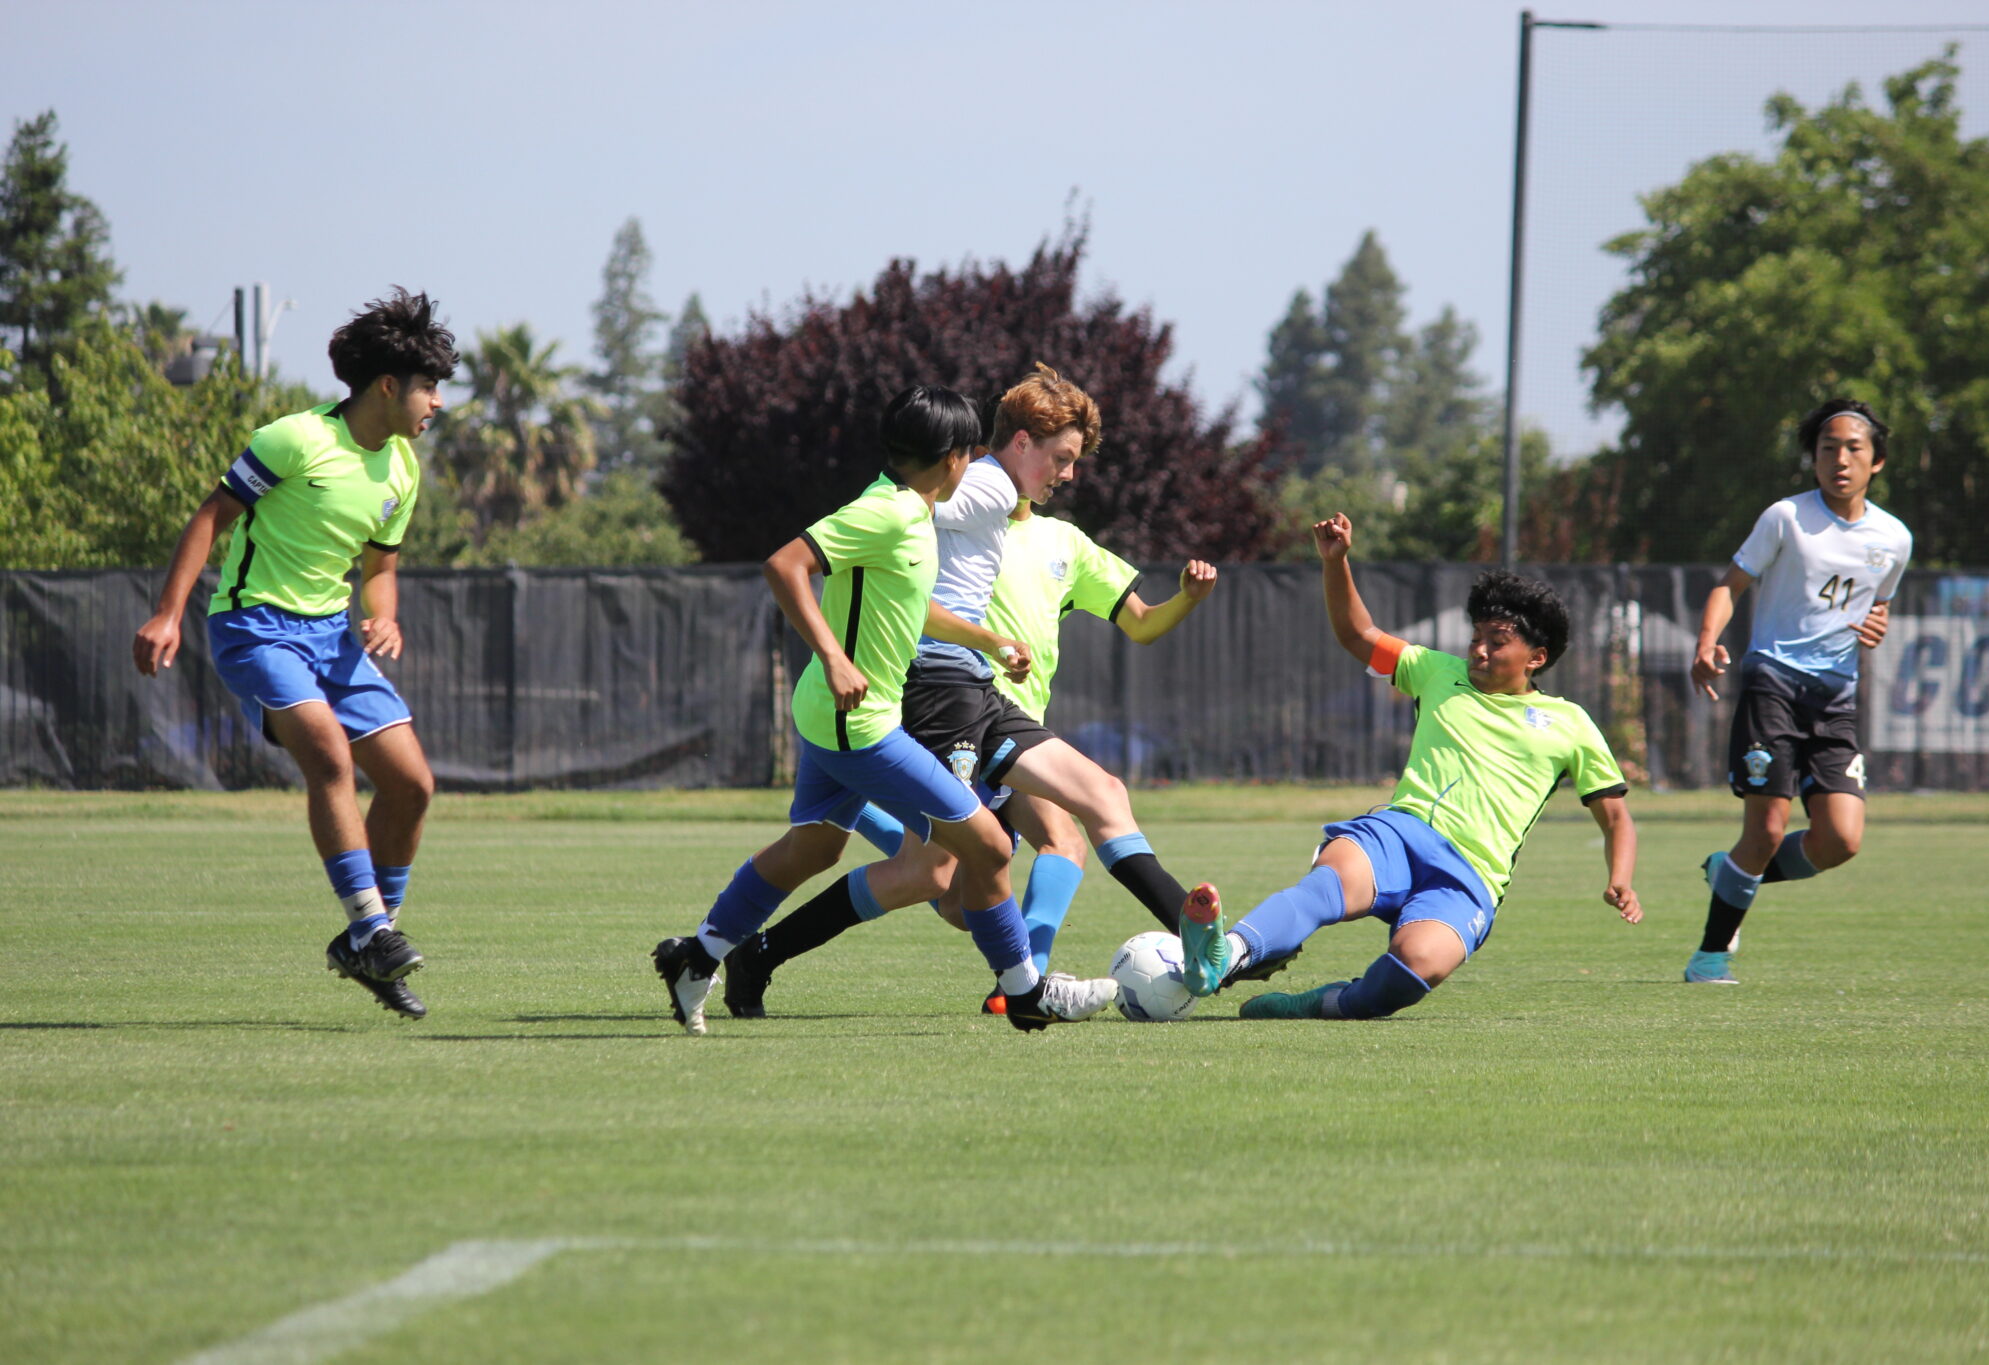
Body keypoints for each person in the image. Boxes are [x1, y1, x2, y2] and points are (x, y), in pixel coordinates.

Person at [715, 365, 1209, 1018]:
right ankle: (761, 953)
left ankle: (1196, 937)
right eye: (1061, 458)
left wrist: (991, 644)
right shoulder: (981, 484)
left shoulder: (1005, 501)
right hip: (931, 692)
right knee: (932, 873)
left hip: (975, 688)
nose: (1068, 473)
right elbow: (900, 498)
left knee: (1100, 794)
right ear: (1024, 442)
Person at [651, 384, 1097, 1035]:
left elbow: (913, 603)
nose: (976, 467)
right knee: (990, 846)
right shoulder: (886, 512)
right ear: (952, 460)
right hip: (857, 722)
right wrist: (833, 656)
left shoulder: (915, 513)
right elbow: (785, 564)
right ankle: (1025, 991)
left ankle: (697, 955)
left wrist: (988, 639)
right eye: (971, 455)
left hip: (839, 714)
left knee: (812, 849)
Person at [131, 288, 454, 1019]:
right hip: (254, 626)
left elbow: (381, 569)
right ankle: (370, 929)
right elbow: (212, 517)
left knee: (412, 785)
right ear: (387, 386)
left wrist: (387, 619)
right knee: (330, 756)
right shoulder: (295, 438)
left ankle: (373, 941)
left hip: (333, 639)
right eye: (429, 387)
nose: (436, 403)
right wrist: (167, 613)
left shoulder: (401, 469)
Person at [1178, 514, 1642, 1021]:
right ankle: (1231, 954)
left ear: (1537, 657)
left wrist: (1621, 878)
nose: (1479, 648)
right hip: (1401, 832)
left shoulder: (1570, 722)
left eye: (1498, 639)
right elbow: (1356, 634)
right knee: (1325, 886)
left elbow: (1616, 818)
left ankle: (1324, 1002)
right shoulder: (1436, 671)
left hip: (1470, 875)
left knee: (1414, 967)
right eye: (1477, 635)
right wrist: (1337, 563)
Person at [1683, 398, 1912, 985]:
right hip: (1773, 682)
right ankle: (1710, 956)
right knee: (1764, 829)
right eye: (1827, 447)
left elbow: (1874, 605)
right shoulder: (1786, 517)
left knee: (1841, 839)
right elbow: (1730, 585)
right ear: (1813, 458)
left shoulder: (1894, 538)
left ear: (1877, 461)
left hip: (1837, 695)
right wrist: (1707, 642)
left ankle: (1731, 872)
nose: (1839, 458)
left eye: (1853, 448)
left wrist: (1878, 623)